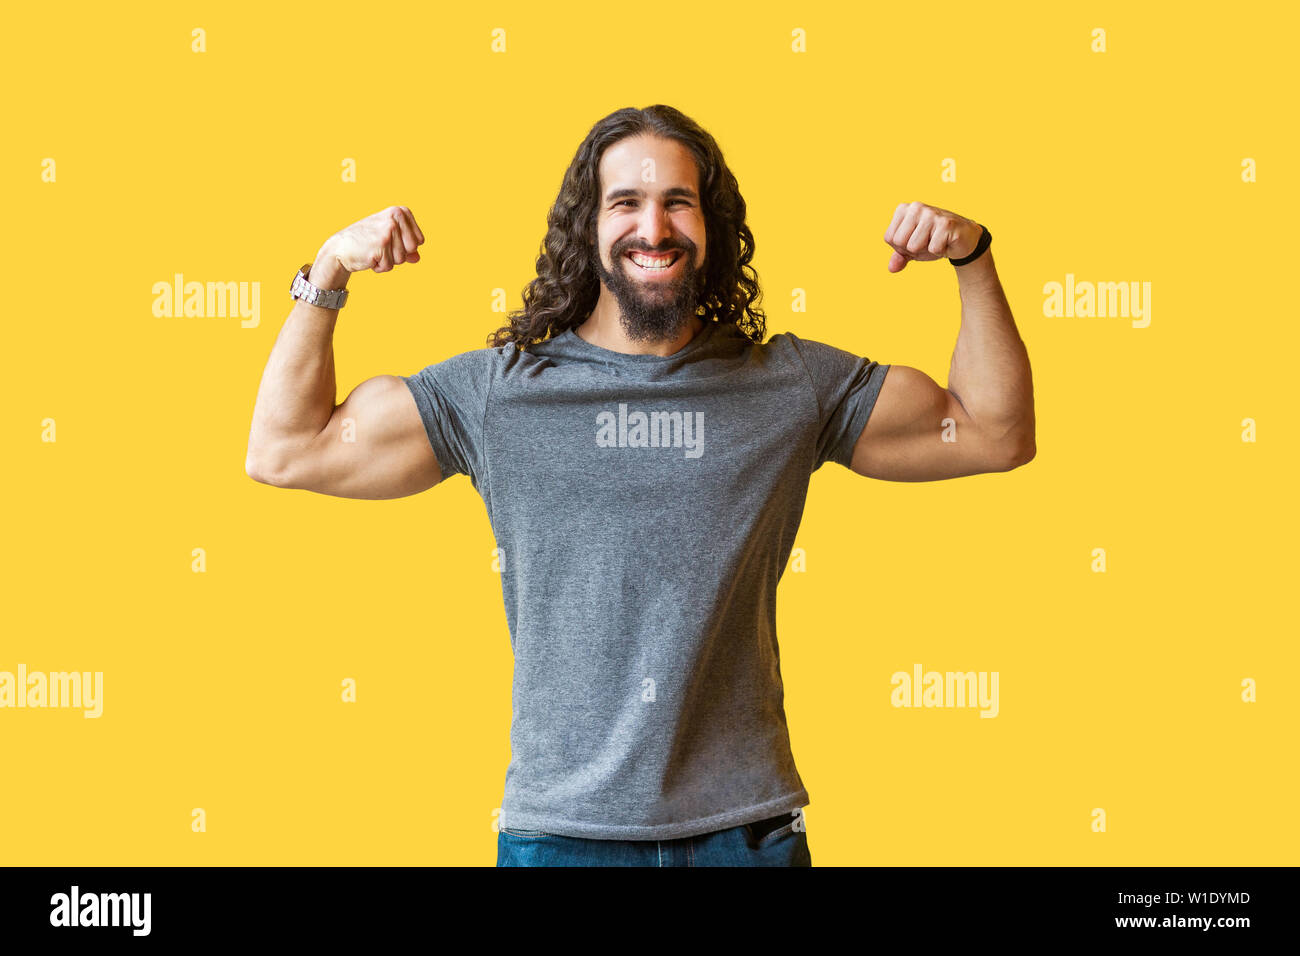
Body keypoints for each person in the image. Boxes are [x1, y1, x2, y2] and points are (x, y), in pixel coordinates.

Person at [245, 105, 1035, 867]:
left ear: (711, 228)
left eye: (678, 204)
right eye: (626, 203)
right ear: (587, 228)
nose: (653, 229)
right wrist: (329, 269)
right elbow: (286, 449)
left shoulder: (789, 386)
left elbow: (995, 433)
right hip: (559, 839)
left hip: (745, 835)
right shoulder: (501, 394)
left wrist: (973, 260)